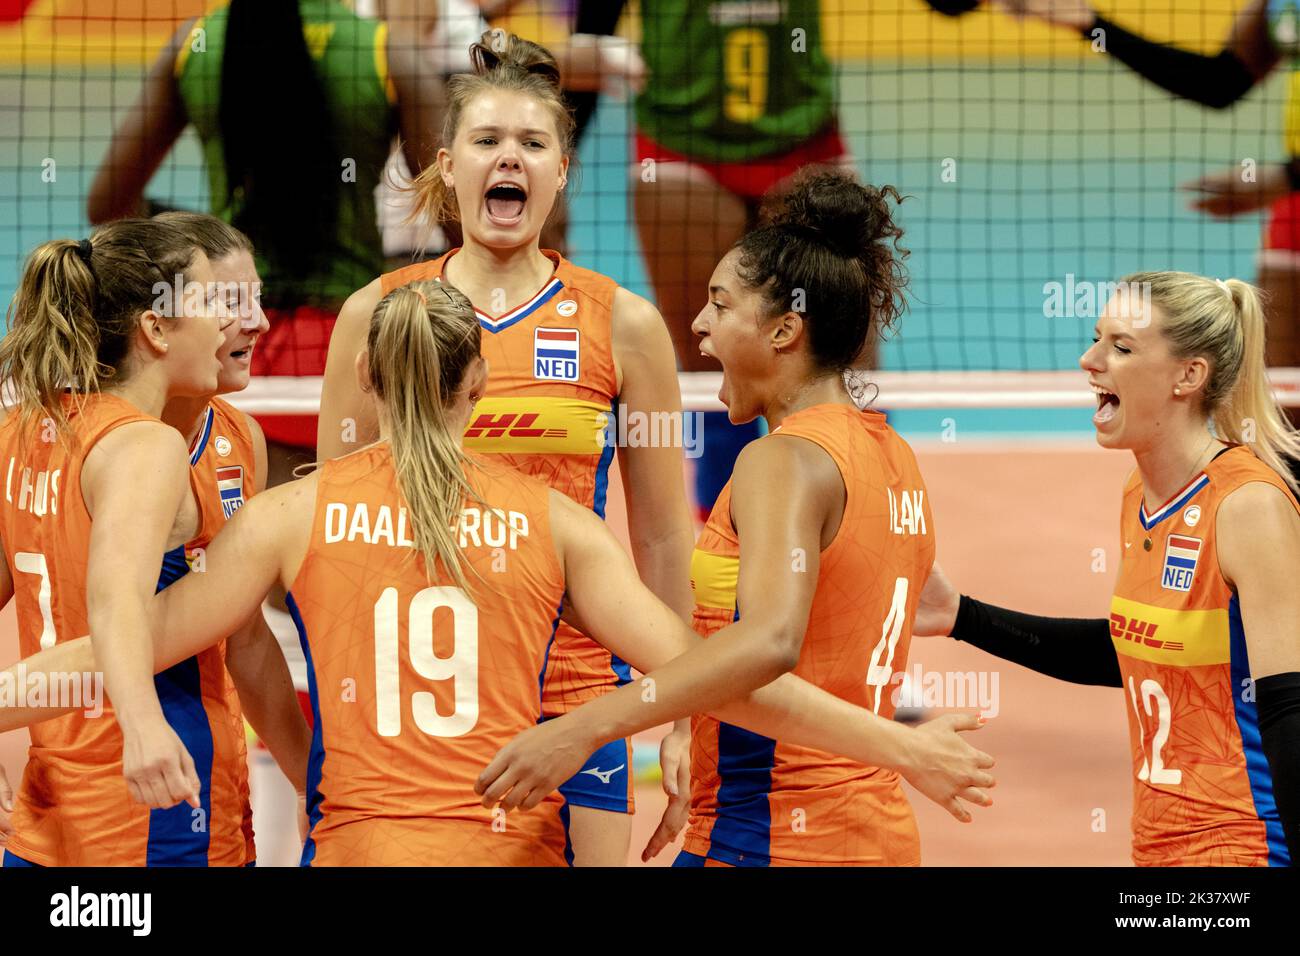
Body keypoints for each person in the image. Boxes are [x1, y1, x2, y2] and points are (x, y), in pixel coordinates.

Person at [14, 277, 994, 866]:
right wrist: (897, 745)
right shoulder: (559, 524)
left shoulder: (285, 514)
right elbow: (732, 679)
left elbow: (119, 643)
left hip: (360, 848)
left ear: (364, 380)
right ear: (478, 386)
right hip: (504, 844)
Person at [482, 169, 959, 867]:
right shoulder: (893, 457)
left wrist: (585, 726)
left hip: (771, 835)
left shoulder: (782, 463)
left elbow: (769, 643)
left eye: (719, 304)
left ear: (784, 329)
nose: (698, 324)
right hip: (869, 831)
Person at [317, 30, 695, 864]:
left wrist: (680, 713)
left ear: (561, 171)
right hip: (418, 695)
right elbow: (331, 527)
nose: (509, 159)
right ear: (447, 165)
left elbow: (665, 534)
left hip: (572, 689)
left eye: (533, 144)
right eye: (486, 141)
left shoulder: (623, 325)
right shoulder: (377, 316)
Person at [915, 271, 1300, 866]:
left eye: (1121, 347)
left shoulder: (1248, 507)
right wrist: (961, 615)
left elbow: (1288, 708)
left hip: (1246, 847)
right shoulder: (1140, 496)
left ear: (1188, 376)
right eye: (1097, 338)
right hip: (1159, 845)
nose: (1089, 359)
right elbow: (1129, 650)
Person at [86, 0, 444, 479]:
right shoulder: (385, 52)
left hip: (223, 342)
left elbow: (108, 204)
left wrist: (204, 235)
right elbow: (460, 210)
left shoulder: (195, 46)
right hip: (348, 345)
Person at [0, 218, 240, 865]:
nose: (226, 322)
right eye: (208, 301)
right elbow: (116, 603)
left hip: (48, 813)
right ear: (156, 327)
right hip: (150, 803)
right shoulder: (146, 445)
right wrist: (142, 729)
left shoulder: (23, 429)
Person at [995, 0, 1300, 441]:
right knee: (1284, 411)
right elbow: (1220, 81)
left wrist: (1287, 175)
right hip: (1294, 210)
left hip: (1291, 186)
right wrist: (1091, 23)